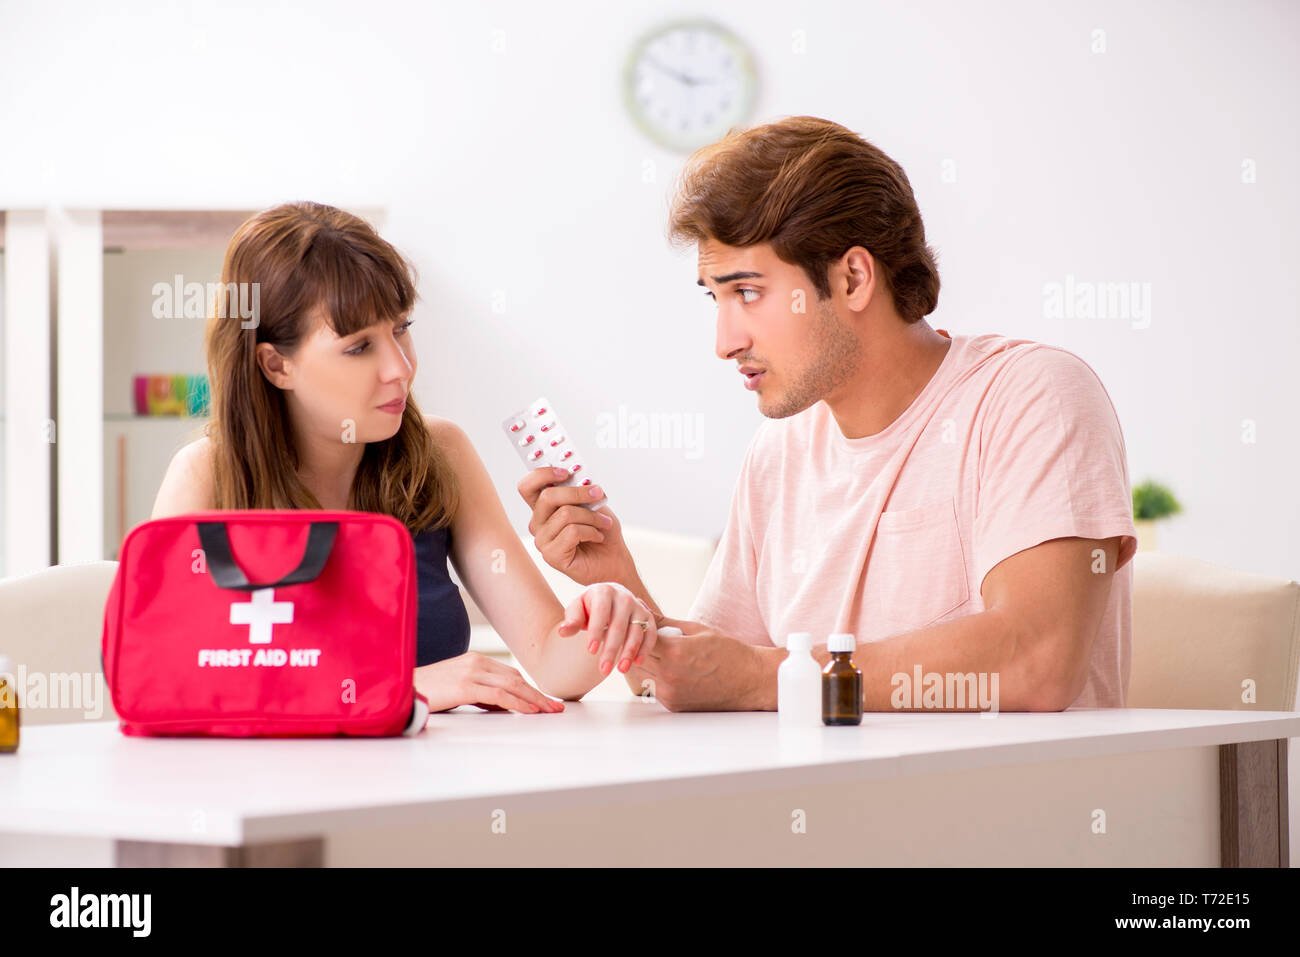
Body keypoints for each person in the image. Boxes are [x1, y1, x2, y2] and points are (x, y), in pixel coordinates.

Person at [517, 115, 1138, 713]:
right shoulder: (780, 450)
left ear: (852, 278)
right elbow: (720, 682)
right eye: (717, 298)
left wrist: (768, 679)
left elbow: (1039, 660)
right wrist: (623, 585)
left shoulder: (1031, 396)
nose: (724, 341)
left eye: (749, 293)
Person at [151, 201, 655, 715]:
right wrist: (398, 689)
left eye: (400, 328)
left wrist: (608, 606)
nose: (400, 367)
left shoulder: (439, 454)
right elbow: (165, 682)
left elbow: (551, 660)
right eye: (358, 347)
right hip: (279, 790)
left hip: (428, 786)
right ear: (276, 364)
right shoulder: (207, 477)